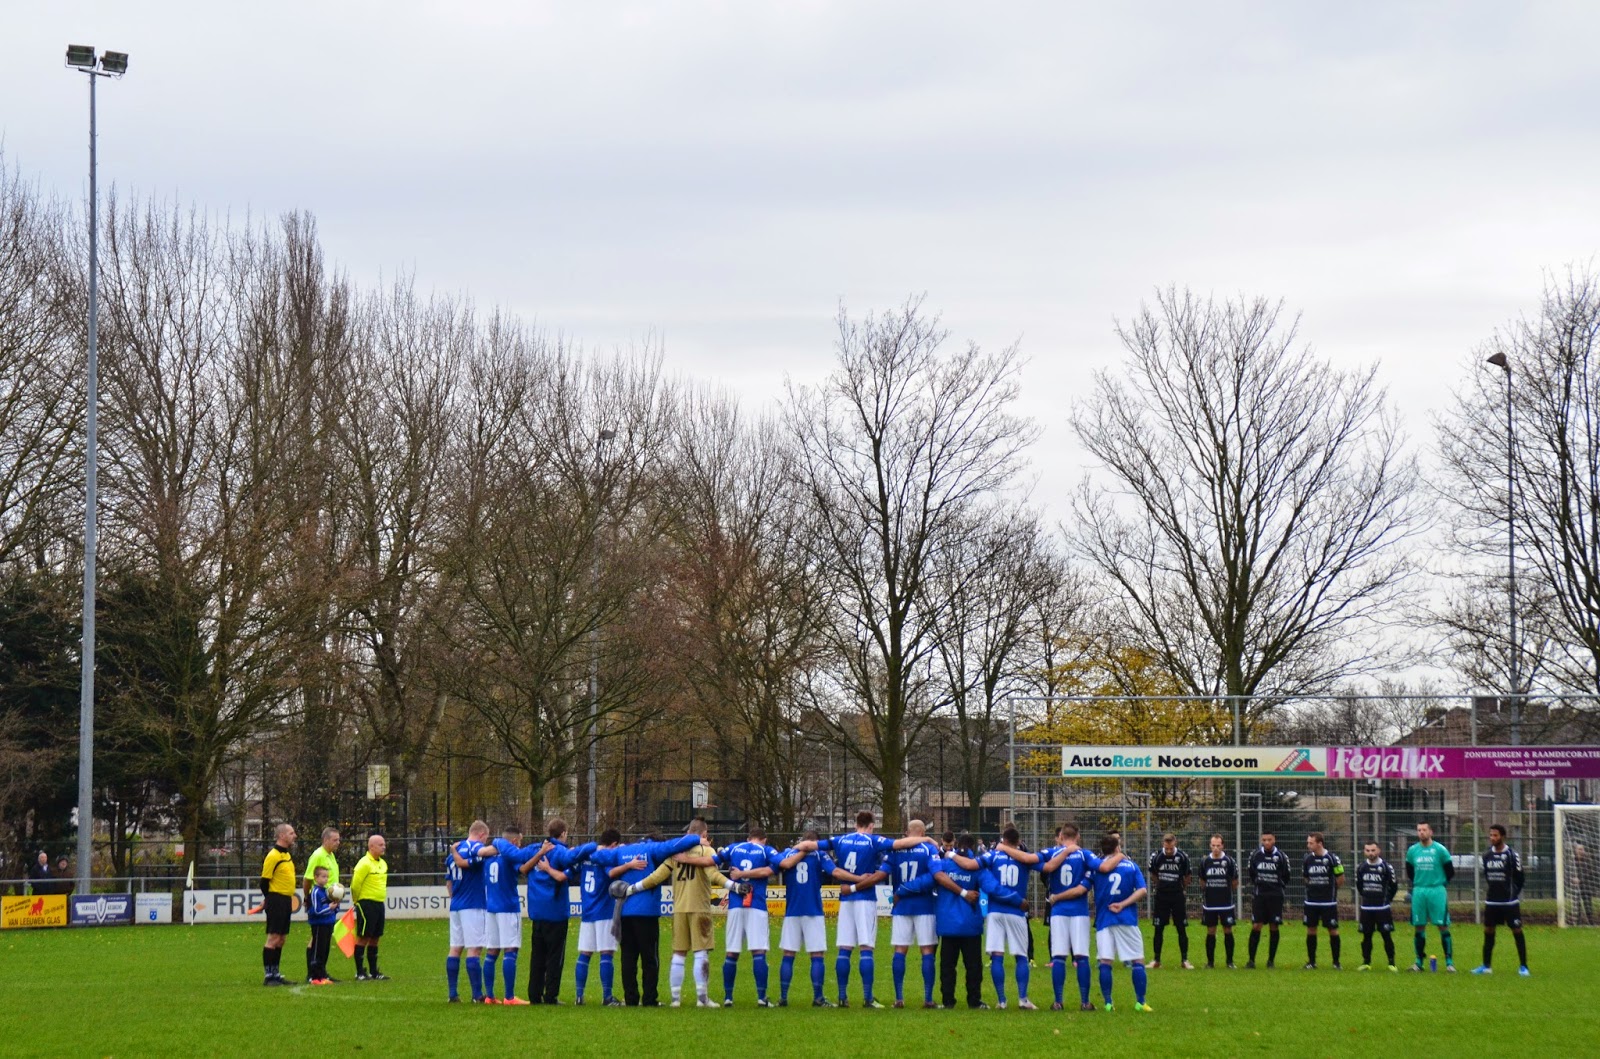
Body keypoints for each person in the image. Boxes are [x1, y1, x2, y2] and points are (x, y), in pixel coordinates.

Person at [618, 817, 739, 1007]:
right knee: (701, 953)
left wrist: (632, 888)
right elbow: (713, 875)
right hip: (699, 907)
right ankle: (702, 999)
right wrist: (734, 886)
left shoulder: (675, 853)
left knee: (679, 954)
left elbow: (655, 877)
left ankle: (675, 999)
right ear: (704, 834)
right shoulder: (706, 850)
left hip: (679, 908)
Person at [897, 831, 1020, 1010]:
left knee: (947, 966)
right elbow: (993, 888)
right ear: (973, 848)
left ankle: (948, 1001)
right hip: (970, 925)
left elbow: (925, 881)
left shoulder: (944, 865)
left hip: (947, 925)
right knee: (973, 968)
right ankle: (974, 1001)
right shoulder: (977, 868)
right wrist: (1017, 899)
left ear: (956, 845)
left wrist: (902, 889)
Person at [592, 830, 703, 1006]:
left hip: (625, 912)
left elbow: (597, 857)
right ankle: (649, 999)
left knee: (628, 957)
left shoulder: (621, 851)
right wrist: (698, 837)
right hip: (646, 912)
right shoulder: (654, 849)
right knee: (650, 958)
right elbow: (678, 844)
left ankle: (631, 998)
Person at [1022, 823, 1120, 1010]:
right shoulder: (1084, 854)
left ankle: (1058, 1002)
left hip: (1058, 911)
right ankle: (1085, 1002)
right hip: (1079, 911)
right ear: (1078, 836)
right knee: (1082, 957)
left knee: (1058, 958)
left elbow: (1030, 860)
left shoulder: (1051, 852)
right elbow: (1104, 867)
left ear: (1061, 837)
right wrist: (1120, 856)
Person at [816, 811, 895, 1008]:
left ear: (855, 823)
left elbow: (817, 849)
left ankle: (842, 997)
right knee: (866, 948)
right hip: (865, 899)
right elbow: (895, 849)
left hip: (846, 899)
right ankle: (868, 998)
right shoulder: (872, 841)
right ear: (870, 825)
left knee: (844, 948)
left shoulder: (842, 840)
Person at [953, 825, 1035, 1009]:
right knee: (1021, 956)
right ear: (1019, 841)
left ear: (1003, 840)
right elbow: (1044, 865)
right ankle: (1023, 999)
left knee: (997, 956)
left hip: (995, 911)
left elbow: (970, 864)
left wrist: (950, 855)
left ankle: (1002, 1001)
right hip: (1016, 911)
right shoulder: (1025, 859)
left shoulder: (992, 856)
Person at [522, 817, 597, 1004]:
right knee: (554, 957)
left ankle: (534, 994)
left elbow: (518, 857)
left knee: (537, 956)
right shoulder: (560, 852)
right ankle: (550, 996)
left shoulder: (534, 849)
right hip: (555, 912)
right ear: (563, 833)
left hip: (537, 912)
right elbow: (577, 855)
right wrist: (597, 845)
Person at [772, 831, 845, 1007]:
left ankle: (783, 997)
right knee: (817, 955)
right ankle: (818, 997)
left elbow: (776, 866)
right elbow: (834, 872)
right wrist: (857, 880)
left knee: (788, 954)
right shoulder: (820, 854)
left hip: (792, 911)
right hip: (813, 910)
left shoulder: (788, 853)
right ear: (815, 842)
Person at [720, 825, 784, 1007]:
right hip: (756, 905)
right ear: (763, 839)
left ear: (749, 838)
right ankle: (761, 998)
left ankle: (728, 997)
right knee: (758, 951)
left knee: (731, 952)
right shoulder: (766, 850)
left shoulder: (733, 848)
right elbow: (774, 868)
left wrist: (739, 874)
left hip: (735, 905)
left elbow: (714, 860)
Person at [883, 819, 941, 1009]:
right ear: (923, 833)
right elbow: (935, 876)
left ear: (907, 832)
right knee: (927, 951)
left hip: (902, 907)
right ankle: (928, 998)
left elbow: (883, 871)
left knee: (900, 950)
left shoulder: (896, 850)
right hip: (924, 905)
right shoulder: (929, 850)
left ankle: (899, 998)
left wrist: (901, 890)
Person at [1091, 834, 1152, 1012]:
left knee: (1105, 961)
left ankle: (1108, 1003)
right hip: (1127, 919)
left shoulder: (1097, 868)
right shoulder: (1130, 866)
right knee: (1138, 960)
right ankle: (1140, 1002)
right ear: (1118, 848)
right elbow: (1142, 890)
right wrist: (1124, 904)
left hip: (1104, 919)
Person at [482, 823, 541, 1004]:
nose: (520, 846)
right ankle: (509, 997)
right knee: (511, 950)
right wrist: (539, 855)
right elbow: (523, 870)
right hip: (508, 908)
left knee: (492, 951)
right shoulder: (510, 856)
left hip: (491, 908)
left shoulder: (489, 856)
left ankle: (490, 996)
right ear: (514, 841)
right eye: (520, 842)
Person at [446, 820, 502, 1002]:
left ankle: (453, 994)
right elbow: (486, 852)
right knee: (474, 950)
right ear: (482, 835)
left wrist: (455, 898)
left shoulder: (452, 854)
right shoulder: (475, 848)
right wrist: (504, 845)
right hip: (473, 905)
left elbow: (449, 882)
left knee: (455, 949)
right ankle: (477, 995)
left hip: (456, 905)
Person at [575, 829, 626, 1006]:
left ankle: (579, 996)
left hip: (587, 911)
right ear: (613, 845)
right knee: (607, 953)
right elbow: (612, 873)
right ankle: (607, 996)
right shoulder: (605, 857)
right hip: (604, 911)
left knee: (585, 954)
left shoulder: (587, 855)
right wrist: (628, 865)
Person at [1473, 824, 1530, 977]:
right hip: (1492, 901)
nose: (1492, 838)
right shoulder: (1486, 856)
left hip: (1509, 903)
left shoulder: (1512, 855)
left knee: (1517, 930)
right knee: (1488, 930)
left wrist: (1513, 894)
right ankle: (1486, 966)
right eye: (1491, 835)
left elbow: (1520, 878)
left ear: (1503, 836)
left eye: (1495, 835)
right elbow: (1487, 875)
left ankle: (1523, 966)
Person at [1403, 821, 1455, 972]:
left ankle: (1449, 962)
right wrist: (1419, 883)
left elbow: (1450, 871)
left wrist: (1440, 883)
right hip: (1419, 891)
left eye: (1424, 830)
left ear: (1431, 832)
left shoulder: (1440, 850)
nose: (1421, 833)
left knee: (1442, 925)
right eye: (1419, 830)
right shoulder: (1412, 851)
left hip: (1437, 890)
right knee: (1419, 926)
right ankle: (1418, 962)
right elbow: (1410, 871)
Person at [260, 822, 298, 986]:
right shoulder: (273, 855)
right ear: (282, 835)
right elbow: (264, 881)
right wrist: (269, 899)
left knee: (282, 938)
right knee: (273, 938)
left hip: (286, 900)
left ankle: (276, 973)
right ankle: (269, 976)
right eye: (291, 833)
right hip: (276, 899)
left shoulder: (287, 856)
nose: (294, 835)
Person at [1147, 833, 1192, 969]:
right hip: (1162, 896)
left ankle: (1184, 960)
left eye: (1170, 848)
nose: (1168, 851)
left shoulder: (1183, 857)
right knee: (1158, 928)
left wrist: (1181, 887)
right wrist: (1161, 885)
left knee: (1181, 928)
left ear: (1175, 844)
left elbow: (1188, 875)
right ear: (1163, 844)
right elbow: (1153, 874)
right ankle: (1156, 960)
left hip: (1177, 896)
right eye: (1166, 848)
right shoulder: (1156, 857)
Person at [1246, 831, 1290, 969]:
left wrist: (1276, 887)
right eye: (1264, 840)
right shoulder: (1255, 855)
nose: (1266, 842)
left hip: (1276, 896)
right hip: (1260, 896)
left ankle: (1271, 961)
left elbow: (1286, 876)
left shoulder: (1281, 856)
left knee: (1274, 926)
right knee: (1256, 925)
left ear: (1274, 840)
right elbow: (1252, 873)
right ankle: (1251, 960)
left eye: (1269, 839)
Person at [302, 828, 341, 982]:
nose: (338, 843)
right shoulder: (318, 855)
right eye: (335, 840)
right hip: (320, 901)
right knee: (316, 938)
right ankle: (313, 973)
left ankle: (321, 971)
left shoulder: (331, 856)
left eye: (338, 840)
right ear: (325, 840)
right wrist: (307, 898)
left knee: (323, 938)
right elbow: (307, 878)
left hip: (330, 903)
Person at [1353, 840, 1399, 972]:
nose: (1370, 853)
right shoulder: (1361, 867)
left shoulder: (1386, 867)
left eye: (1373, 850)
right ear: (1364, 852)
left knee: (1386, 935)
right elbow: (1359, 886)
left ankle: (1391, 963)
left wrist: (1387, 900)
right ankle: (1366, 962)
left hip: (1382, 908)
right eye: (1368, 851)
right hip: (1367, 908)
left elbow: (1393, 886)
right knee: (1366, 936)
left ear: (1378, 851)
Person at [1301, 831, 1344, 970]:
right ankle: (1311, 962)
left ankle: (1336, 962)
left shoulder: (1333, 859)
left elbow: (1341, 878)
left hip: (1328, 903)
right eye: (1308, 842)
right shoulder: (1307, 859)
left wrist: (1330, 890)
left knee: (1332, 930)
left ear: (1320, 843)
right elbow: (1306, 877)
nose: (1308, 845)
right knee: (1311, 930)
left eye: (1311, 843)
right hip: (1311, 902)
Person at [350, 833, 390, 981]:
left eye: (384, 844)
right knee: (363, 937)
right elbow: (355, 885)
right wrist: (357, 901)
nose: (384, 846)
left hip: (379, 904)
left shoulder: (383, 863)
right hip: (366, 904)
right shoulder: (364, 863)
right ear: (371, 846)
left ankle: (374, 971)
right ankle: (360, 972)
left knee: (375, 937)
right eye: (380, 844)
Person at [1199, 834, 1239, 969]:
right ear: (1210, 846)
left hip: (1226, 903)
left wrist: (1226, 891)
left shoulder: (1229, 861)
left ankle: (1230, 962)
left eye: (1218, 845)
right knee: (1211, 931)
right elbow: (1202, 881)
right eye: (1213, 845)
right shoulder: (1205, 862)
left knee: (1227, 930)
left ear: (1223, 846)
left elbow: (1235, 881)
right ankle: (1210, 963)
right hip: (1210, 904)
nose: (1215, 848)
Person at [305, 865, 338, 986]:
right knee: (318, 950)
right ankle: (315, 976)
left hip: (328, 923)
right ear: (315, 877)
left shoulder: (326, 891)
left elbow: (332, 908)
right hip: (319, 925)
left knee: (325, 950)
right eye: (323, 876)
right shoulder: (315, 892)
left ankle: (322, 974)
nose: (326, 879)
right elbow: (317, 910)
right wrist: (329, 907)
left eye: (327, 877)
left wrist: (335, 906)